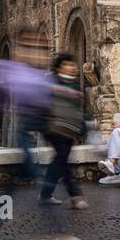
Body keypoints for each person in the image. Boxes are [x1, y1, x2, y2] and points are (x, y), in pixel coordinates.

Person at [0, 29, 52, 240]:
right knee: (40, 184)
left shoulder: (30, 75)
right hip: (23, 137)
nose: (38, 53)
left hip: (27, 138)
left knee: (12, 188)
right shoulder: (17, 73)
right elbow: (1, 92)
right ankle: (59, 235)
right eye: (31, 46)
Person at [39, 54, 89, 210]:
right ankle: (76, 195)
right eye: (68, 64)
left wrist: (84, 126)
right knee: (62, 160)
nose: (72, 67)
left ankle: (45, 194)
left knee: (59, 161)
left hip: (69, 130)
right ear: (59, 67)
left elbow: (75, 109)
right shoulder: (51, 82)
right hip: (54, 128)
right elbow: (44, 103)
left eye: (72, 64)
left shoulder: (72, 83)